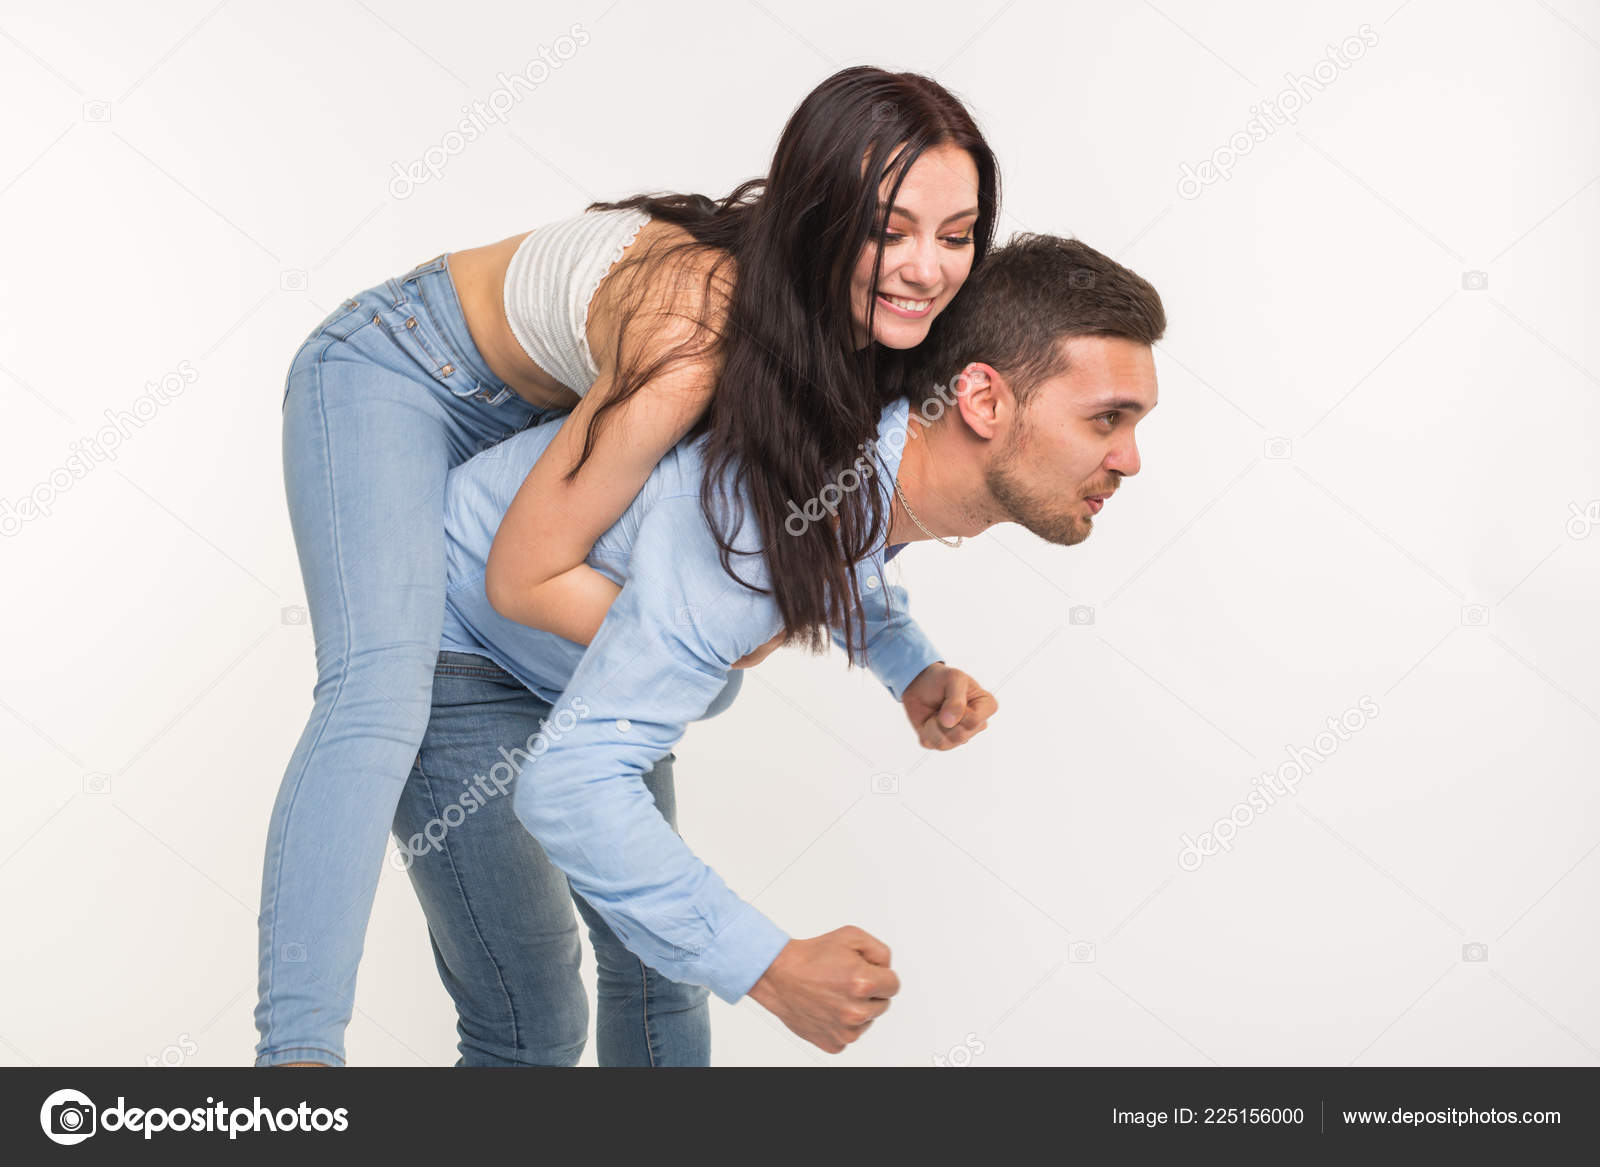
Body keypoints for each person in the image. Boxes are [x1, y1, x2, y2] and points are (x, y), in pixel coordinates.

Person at [256, 65, 1000, 1067]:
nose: (926, 269)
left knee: (654, 955)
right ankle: (295, 1070)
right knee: (379, 688)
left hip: (542, 431)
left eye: (955, 237)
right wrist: (695, 648)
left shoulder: (841, 335)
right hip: (402, 372)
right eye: (888, 229)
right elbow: (521, 579)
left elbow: (826, 510)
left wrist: (906, 662)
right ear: (819, 218)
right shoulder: (692, 343)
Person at [394, 232, 1167, 1064]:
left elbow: (848, 553)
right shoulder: (756, 526)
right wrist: (771, 966)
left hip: (588, 657)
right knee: (531, 1017)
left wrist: (911, 667)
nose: (1128, 459)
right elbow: (571, 787)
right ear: (981, 400)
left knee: (663, 968)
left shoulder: (878, 450)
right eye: (1106, 419)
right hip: (458, 647)